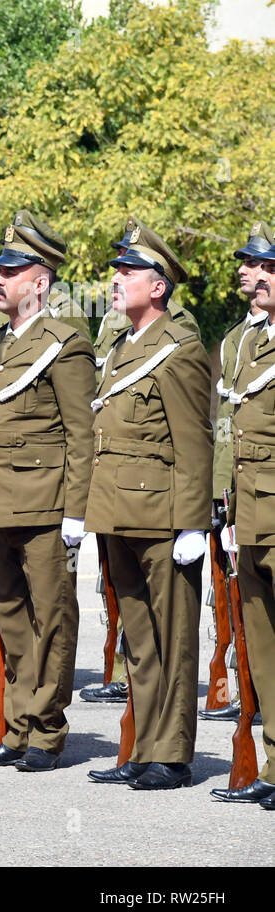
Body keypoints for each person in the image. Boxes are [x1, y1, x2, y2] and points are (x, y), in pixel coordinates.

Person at [0, 211, 95, 772]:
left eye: (11, 271)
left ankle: (46, 729)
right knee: (11, 616)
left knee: (52, 617)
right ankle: (17, 727)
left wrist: (76, 513)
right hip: (2, 502)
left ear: (39, 282)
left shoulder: (65, 343)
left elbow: (82, 433)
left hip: (46, 505)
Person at [84, 221, 211, 790]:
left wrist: (193, 524)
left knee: (173, 637)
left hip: (162, 516)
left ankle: (173, 754)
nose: (116, 279)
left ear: (158, 287)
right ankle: (145, 746)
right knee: (138, 640)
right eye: (116, 270)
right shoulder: (121, 349)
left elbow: (194, 441)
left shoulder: (180, 350)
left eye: (129, 271)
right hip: (117, 512)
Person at [200, 222, 272, 720]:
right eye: (247, 263)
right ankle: (246, 695)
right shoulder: (233, 341)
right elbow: (225, 421)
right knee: (238, 607)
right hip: (237, 492)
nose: (249, 272)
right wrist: (218, 488)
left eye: (260, 264)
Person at [213, 244, 275, 806]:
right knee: (263, 642)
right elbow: (231, 428)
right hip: (251, 510)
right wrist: (220, 497)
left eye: (271, 269)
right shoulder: (250, 343)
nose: (259, 277)